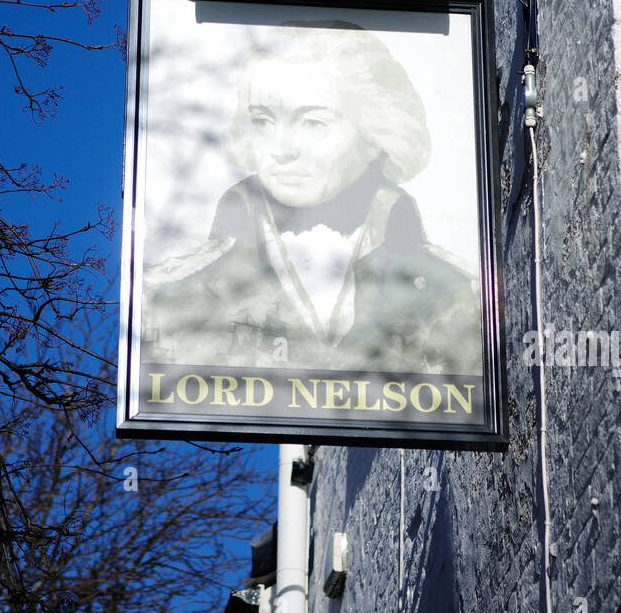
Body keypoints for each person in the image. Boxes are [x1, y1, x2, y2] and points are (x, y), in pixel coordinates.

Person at [141, 21, 482, 380]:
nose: (282, 150)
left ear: (376, 134)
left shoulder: (461, 289)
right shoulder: (168, 295)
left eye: (313, 122)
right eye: (263, 122)